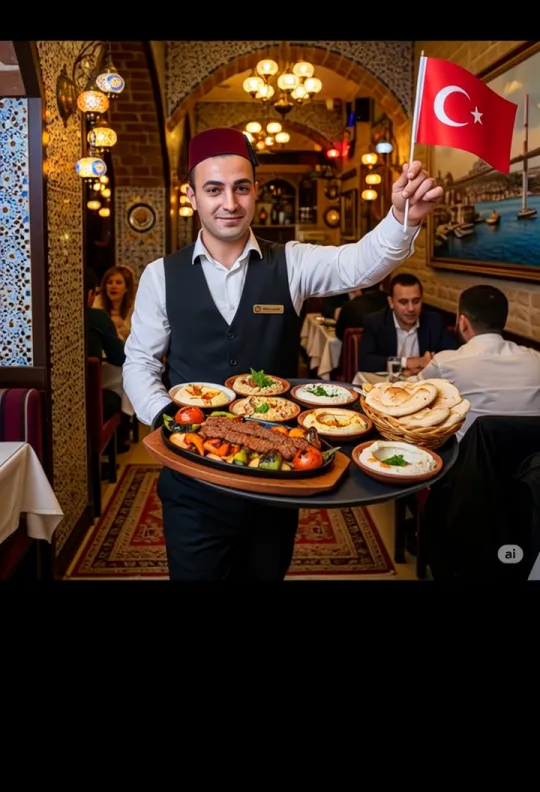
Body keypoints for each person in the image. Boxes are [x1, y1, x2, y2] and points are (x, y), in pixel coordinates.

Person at [123, 127, 443, 581]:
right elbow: (139, 362)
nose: (229, 203)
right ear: (191, 196)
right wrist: (165, 419)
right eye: (213, 189)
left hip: (276, 474)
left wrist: (402, 219)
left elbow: (358, 263)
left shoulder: (291, 261)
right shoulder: (161, 275)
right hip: (194, 477)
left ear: (255, 191)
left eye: (241, 187)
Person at [411, 284, 540, 440]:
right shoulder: (536, 360)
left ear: (463, 322)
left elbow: (408, 396)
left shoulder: (445, 363)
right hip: (529, 461)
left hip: (467, 461)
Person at [357, 272, 456, 375]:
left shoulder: (434, 321)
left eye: (416, 301)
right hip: (386, 386)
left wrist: (432, 361)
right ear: (391, 302)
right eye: (404, 302)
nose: (411, 308)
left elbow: (453, 355)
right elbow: (365, 361)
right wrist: (405, 363)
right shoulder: (375, 322)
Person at [85, 268, 127, 439]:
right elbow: (119, 357)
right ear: (89, 294)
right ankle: (121, 442)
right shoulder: (96, 317)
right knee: (119, 391)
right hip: (91, 400)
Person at [94, 265, 136, 342]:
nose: (113, 286)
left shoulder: (135, 307)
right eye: (109, 282)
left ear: (126, 288)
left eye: (118, 283)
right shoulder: (98, 303)